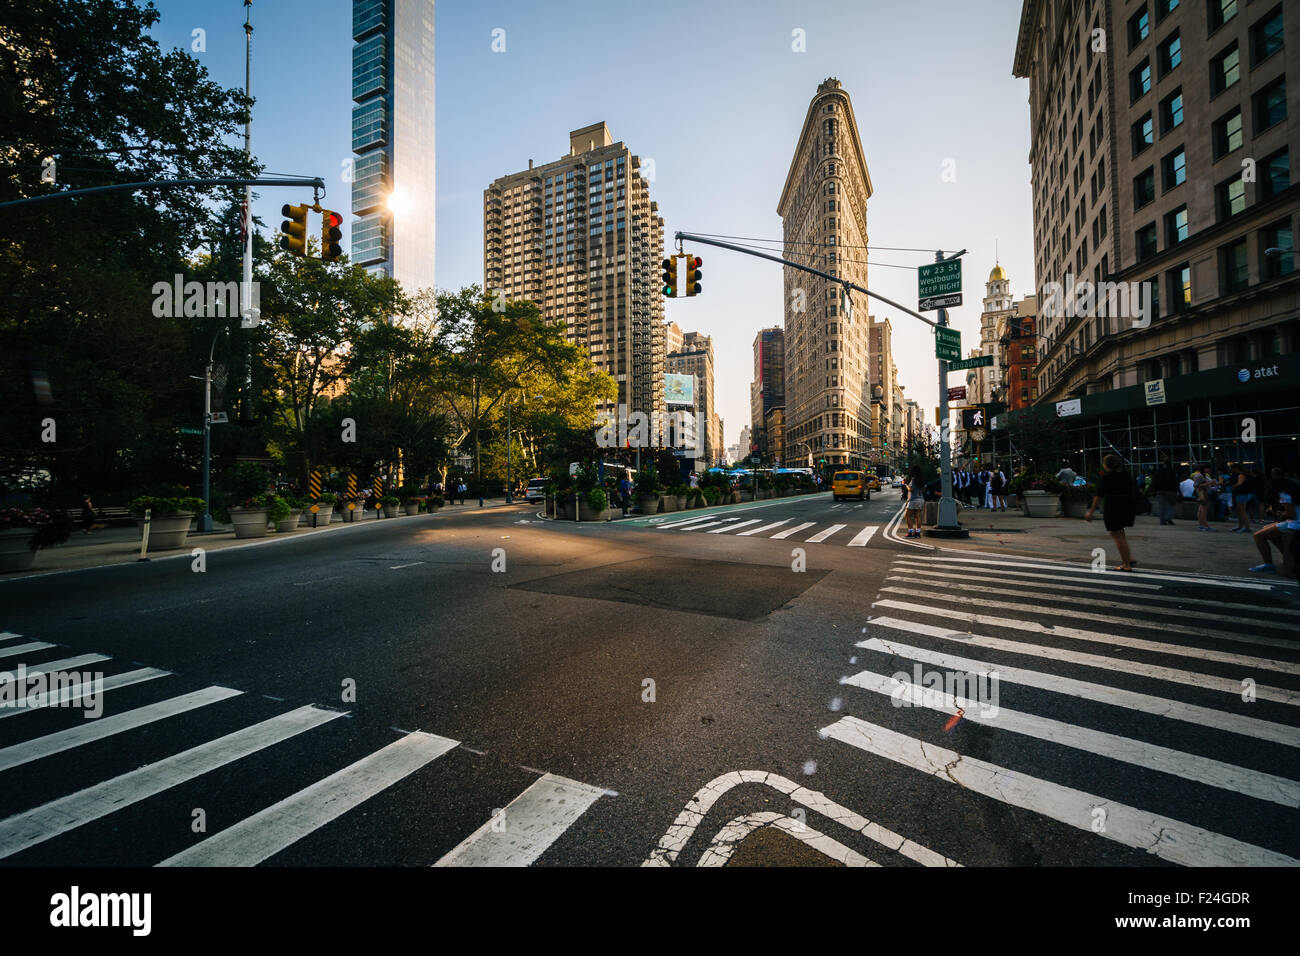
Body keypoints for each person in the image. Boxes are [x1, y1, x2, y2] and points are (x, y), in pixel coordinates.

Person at [1085, 454, 1138, 571]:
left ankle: (1126, 564)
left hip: (1113, 506)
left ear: (1105, 465)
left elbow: (1099, 496)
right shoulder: (1126, 475)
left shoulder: (1107, 477)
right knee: (1121, 534)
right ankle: (1129, 558)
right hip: (1127, 505)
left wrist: (1091, 511)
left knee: (1117, 536)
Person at [1250, 469, 1300, 574]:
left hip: (1295, 524)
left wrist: (1279, 513)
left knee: (1258, 536)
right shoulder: (1294, 490)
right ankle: (1287, 557)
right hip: (1294, 522)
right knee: (1266, 529)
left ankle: (1268, 565)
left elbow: (1291, 515)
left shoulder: (1284, 494)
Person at [1190, 464, 1218, 531]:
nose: (1209, 470)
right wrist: (1210, 483)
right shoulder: (1199, 476)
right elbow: (1197, 485)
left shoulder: (1202, 475)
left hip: (1203, 493)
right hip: (1203, 494)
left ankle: (1202, 525)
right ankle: (1205, 525)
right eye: (1208, 468)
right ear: (1204, 469)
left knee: (1201, 510)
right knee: (1203, 510)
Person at [1150, 457, 1178, 525]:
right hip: (1170, 490)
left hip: (1160, 491)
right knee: (1171, 505)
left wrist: (1155, 489)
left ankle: (1162, 520)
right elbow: (1175, 481)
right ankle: (1168, 518)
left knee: (1162, 506)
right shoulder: (1172, 470)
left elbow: (1154, 481)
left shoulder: (1159, 470)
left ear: (1163, 463)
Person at [1228, 465, 1252, 533]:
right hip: (1242, 494)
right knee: (1239, 512)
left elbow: (1239, 483)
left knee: (1242, 512)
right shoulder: (1241, 474)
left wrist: (1232, 487)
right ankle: (1240, 526)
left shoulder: (1241, 475)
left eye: (1231, 468)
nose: (1230, 470)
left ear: (1236, 468)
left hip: (1242, 494)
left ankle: (1247, 528)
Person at [903, 467, 925, 538]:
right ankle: (917, 533)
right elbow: (923, 489)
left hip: (914, 500)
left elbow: (911, 489)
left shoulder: (913, 479)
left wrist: (906, 486)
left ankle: (910, 532)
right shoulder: (922, 480)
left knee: (907, 516)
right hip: (921, 499)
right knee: (918, 516)